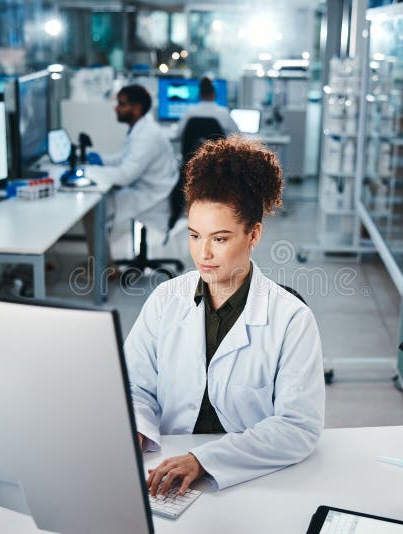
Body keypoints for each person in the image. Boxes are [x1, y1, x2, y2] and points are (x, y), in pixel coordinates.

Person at [123, 137, 325, 497]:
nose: (203, 253)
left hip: (249, 478)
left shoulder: (291, 319)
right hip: (164, 469)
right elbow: (135, 384)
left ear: (253, 235)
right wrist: (137, 425)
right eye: (194, 235)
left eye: (220, 239)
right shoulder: (165, 300)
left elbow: (298, 427)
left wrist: (203, 460)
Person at [83, 85, 179, 264]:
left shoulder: (146, 135)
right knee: (101, 203)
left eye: (121, 104)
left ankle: (100, 265)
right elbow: (125, 157)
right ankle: (103, 261)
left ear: (137, 108)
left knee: (94, 210)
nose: (116, 107)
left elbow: (126, 175)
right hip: (147, 188)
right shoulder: (141, 127)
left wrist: (90, 173)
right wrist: (101, 161)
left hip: (152, 196)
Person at [174, 77, 240, 139]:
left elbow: (178, 134)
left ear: (200, 95)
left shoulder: (190, 112)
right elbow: (238, 136)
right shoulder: (223, 113)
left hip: (194, 151)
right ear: (214, 94)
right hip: (215, 151)